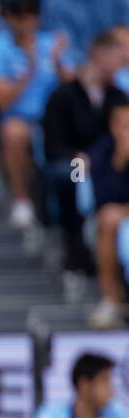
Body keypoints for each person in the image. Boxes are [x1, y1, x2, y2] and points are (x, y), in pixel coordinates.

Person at [0, 0, 78, 230]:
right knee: (13, 132)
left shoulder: (53, 43)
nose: (27, 21)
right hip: (22, 118)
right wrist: (30, 70)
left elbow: (76, 90)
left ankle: (77, 211)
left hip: (56, 121)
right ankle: (22, 200)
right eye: (20, 15)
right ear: (10, 18)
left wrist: (58, 65)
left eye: (32, 14)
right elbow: (1, 101)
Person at [41, 31, 127, 292]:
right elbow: (52, 144)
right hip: (75, 163)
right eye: (116, 58)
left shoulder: (118, 97)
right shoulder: (65, 94)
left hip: (109, 165)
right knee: (72, 176)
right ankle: (75, 250)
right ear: (99, 55)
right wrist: (79, 158)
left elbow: (119, 138)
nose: (121, 65)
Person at [89, 101, 129, 327]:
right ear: (113, 126)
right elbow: (102, 197)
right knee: (107, 219)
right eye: (123, 125)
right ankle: (111, 300)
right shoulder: (102, 151)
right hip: (114, 218)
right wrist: (120, 162)